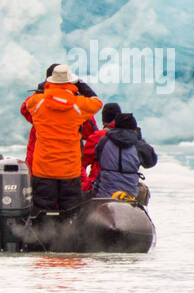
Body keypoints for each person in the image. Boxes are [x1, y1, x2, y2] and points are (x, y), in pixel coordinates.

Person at [22, 63, 102, 213]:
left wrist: (43, 88)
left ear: (49, 81)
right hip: (70, 169)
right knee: (71, 212)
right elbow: (97, 103)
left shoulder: (38, 103)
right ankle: (69, 235)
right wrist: (81, 85)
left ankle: (43, 234)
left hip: (43, 168)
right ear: (70, 82)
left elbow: (26, 105)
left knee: (43, 211)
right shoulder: (78, 106)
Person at [24, 64, 98, 168]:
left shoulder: (38, 104)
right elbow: (90, 132)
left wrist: (41, 91)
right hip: (69, 163)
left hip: (40, 161)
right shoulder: (76, 107)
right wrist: (80, 85)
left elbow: (25, 108)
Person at [92, 113, 157, 199]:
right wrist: (140, 139)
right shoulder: (138, 144)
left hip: (104, 193)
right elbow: (150, 162)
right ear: (134, 128)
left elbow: (98, 155)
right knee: (144, 191)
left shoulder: (104, 141)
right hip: (130, 194)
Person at [81, 101, 120, 193]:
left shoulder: (98, 136)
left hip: (100, 185)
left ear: (103, 120)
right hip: (128, 185)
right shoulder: (132, 135)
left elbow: (81, 163)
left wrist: (85, 182)